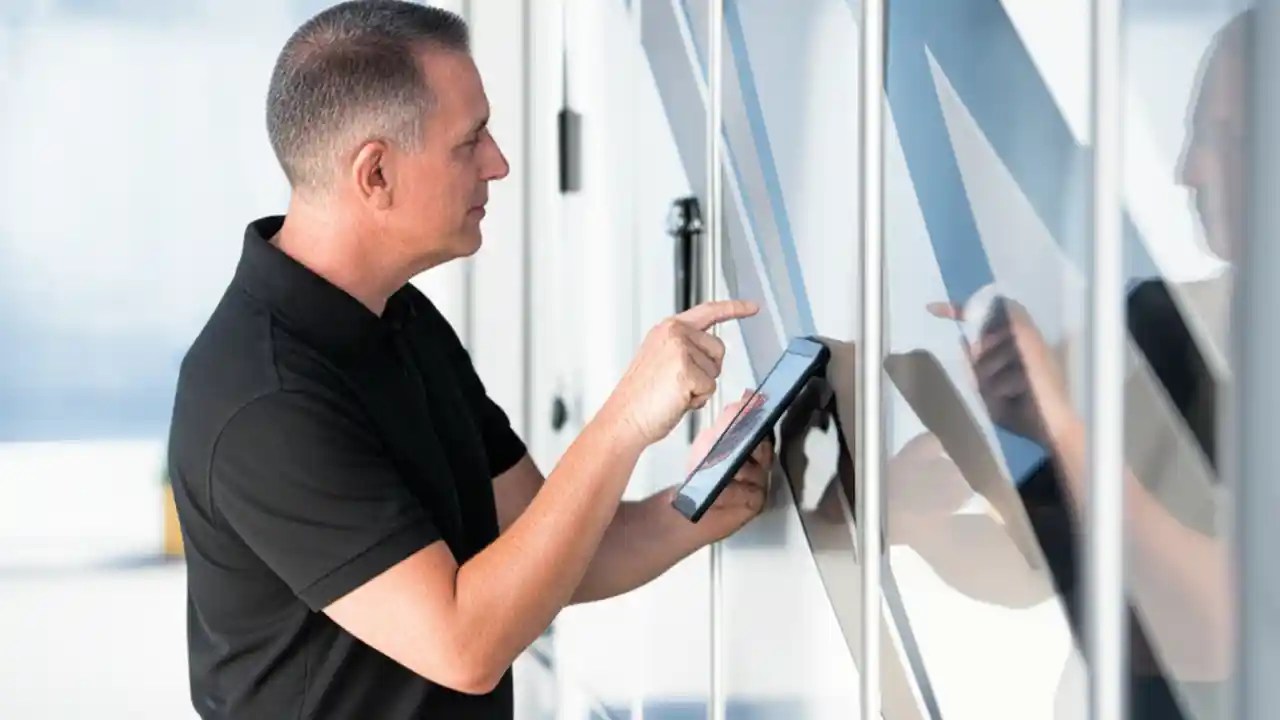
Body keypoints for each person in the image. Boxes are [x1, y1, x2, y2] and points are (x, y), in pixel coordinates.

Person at [166, 3, 771, 718]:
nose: (500, 163)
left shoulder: (401, 319)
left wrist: (688, 511)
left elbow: (542, 549)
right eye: (471, 140)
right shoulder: (264, 401)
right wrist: (626, 419)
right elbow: (466, 645)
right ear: (376, 173)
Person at [930, 10, 1250, 718]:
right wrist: (918, 519)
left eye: (1226, 139)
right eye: (1197, 133)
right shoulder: (1158, 321)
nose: (1186, 169)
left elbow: (1225, 635)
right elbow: (1032, 567)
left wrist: (1065, 431)